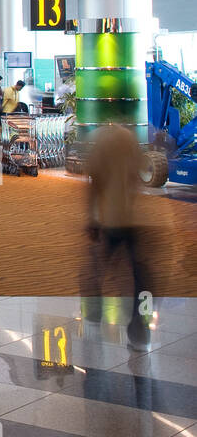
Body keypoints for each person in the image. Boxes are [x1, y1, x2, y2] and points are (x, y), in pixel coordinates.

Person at [84, 123, 151, 349]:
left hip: (109, 219)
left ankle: (93, 318)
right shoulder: (130, 140)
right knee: (139, 276)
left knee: (97, 269)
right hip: (133, 219)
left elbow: (94, 185)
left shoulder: (102, 143)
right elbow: (140, 174)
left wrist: (91, 217)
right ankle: (139, 330)